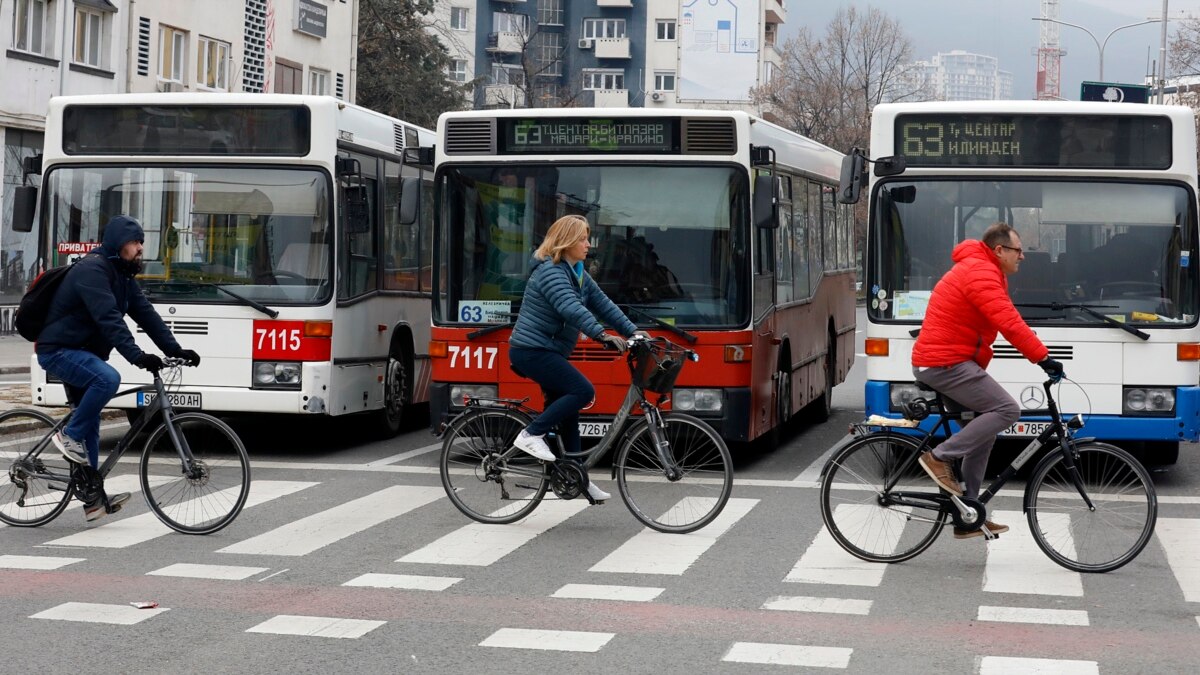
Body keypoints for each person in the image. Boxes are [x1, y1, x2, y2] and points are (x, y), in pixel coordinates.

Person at [36, 216, 200, 522]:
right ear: (118, 244)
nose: (140, 248)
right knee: (108, 379)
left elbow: (146, 315)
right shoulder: (92, 270)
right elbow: (109, 319)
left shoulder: (122, 276)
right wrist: (138, 356)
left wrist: (175, 350)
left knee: (92, 428)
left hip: (85, 353)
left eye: (141, 243)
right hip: (59, 350)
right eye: (135, 243)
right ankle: (67, 435)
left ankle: (91, 496)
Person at [911, 222, 1064, 539]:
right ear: (1000, 250)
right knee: (1007, 410)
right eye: (1019, 250)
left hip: (948, 361)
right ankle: (939, 457)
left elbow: (1007, 317)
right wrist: (1043, 358)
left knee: (985, 430)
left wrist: (1038, 351)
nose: (1023, 256)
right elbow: (1008, 322)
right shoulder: (980, 272)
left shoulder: (984, 270)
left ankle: (968, 514)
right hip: (944, 363)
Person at [508, 214, 641, 503]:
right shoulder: (551, 271)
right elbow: (570, 308)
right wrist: (600, 335)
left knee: (569, 414)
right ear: (566, 241)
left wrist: (635, 333)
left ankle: (577, 476)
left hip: (548, 350)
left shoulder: (577, 272)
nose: (588, 245)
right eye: (582, 239)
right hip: (531, 350)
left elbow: (604, 304)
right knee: (582, 391)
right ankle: (531, 434)